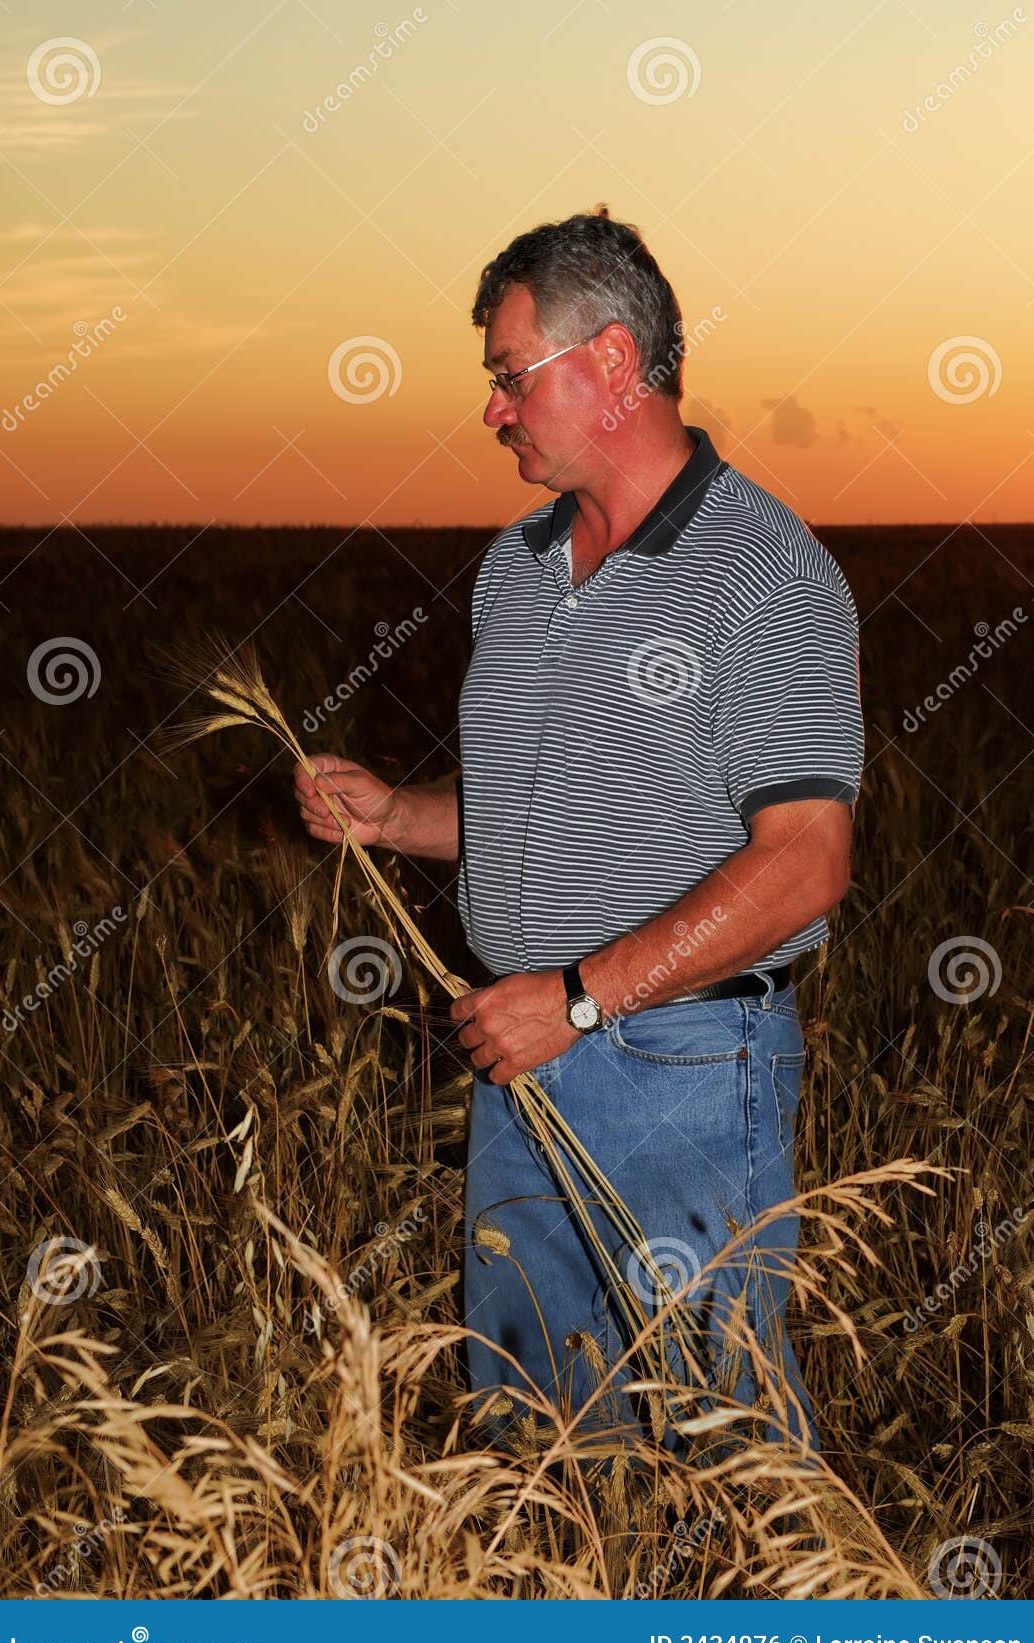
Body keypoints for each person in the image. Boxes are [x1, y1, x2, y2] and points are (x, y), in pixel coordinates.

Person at [296, 206, 863, 1454]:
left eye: (510, 378)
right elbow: (540, 807)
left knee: (724, 1441)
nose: (493, 410)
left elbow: (809, 862)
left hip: (684, 1069)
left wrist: (586, 998)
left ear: (611, 363)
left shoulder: (764, 572)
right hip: (524, 1051)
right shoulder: (517, 563)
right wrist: (399, 818)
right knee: (532, 1441)